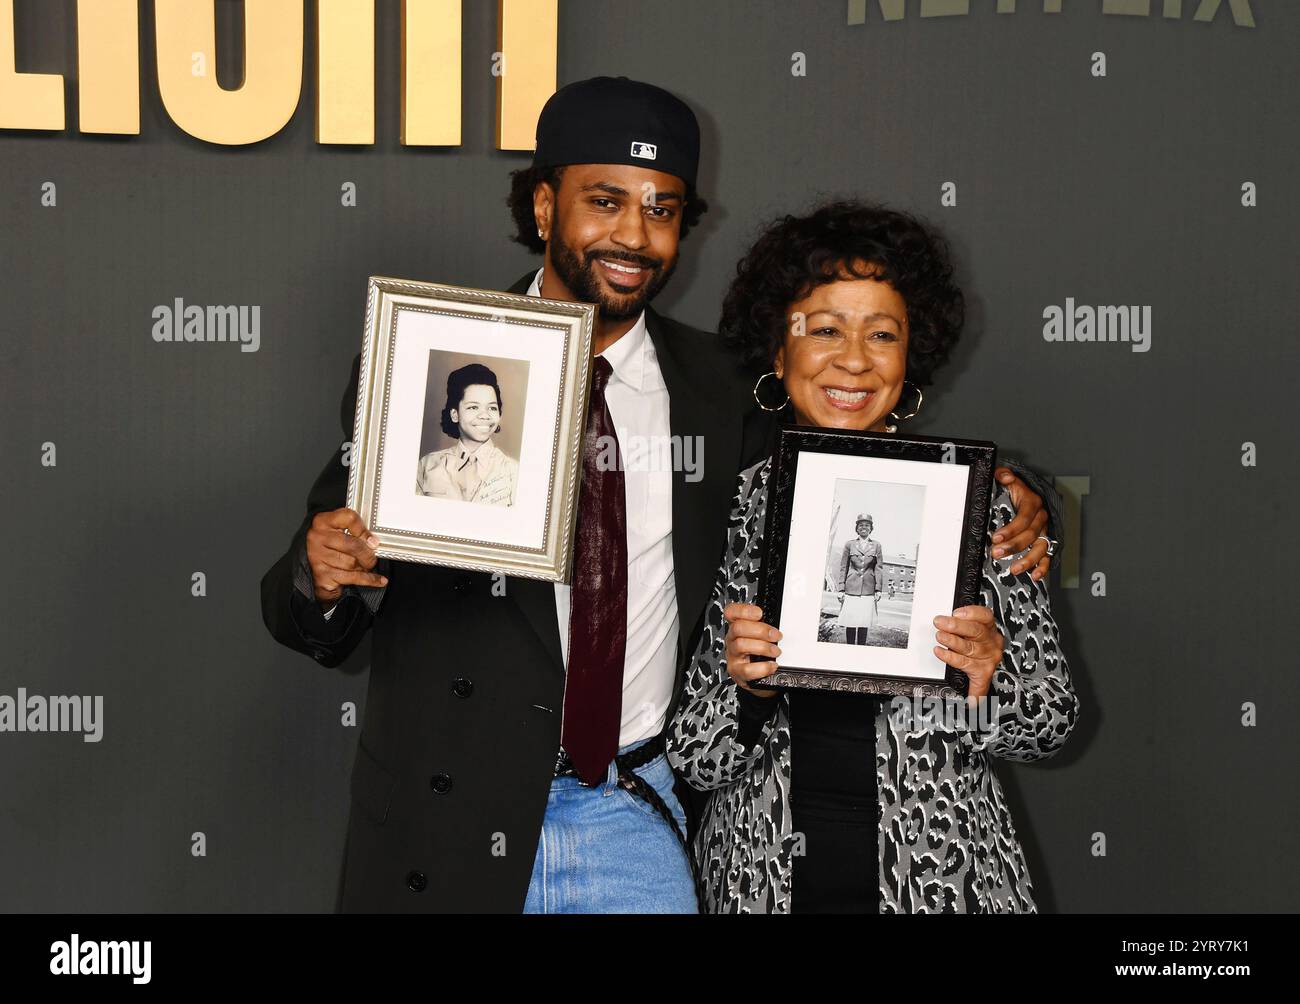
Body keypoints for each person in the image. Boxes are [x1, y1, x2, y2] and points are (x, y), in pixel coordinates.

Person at [260, 77, 1053, 914]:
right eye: (605, 201)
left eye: (663, 209)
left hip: (633, 818)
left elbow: (856, 442)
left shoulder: (730, 389)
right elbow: (306, 605)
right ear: (542, 205)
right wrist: (321, 575)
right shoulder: (435, 364)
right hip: (445, 822)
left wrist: (1013, 490)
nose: (633, 235)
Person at [666, 200, 1080, 913]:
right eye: (824, 329)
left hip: (944, 880)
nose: (854, 360)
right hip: (761, 882)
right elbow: (697, 758)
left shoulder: (984, 508)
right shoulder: (727, 508)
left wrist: (987, 678)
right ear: (777, 349)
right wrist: (750, 688)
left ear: (910, 355)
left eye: (882, 334)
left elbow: (1046, 726)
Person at [416, 363, 519, 506]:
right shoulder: (427, 465)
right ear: (455, 414)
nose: (485, 415)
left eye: (492, 408)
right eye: (473, 407)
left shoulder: (514, 472)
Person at [836, 514, 882, 645]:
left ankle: (861, 649)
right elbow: (843, 567)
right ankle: (850, 647)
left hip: (868, 589)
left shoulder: (876, 546)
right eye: (861, 525)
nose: (864, 527)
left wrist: (878, 589)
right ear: (857, 528)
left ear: (871, 528)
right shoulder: (849, 544)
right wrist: (841, 588)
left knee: (864, 622)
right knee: (850, 622)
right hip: (851, 589)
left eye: (867, 525)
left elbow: (878, 568)